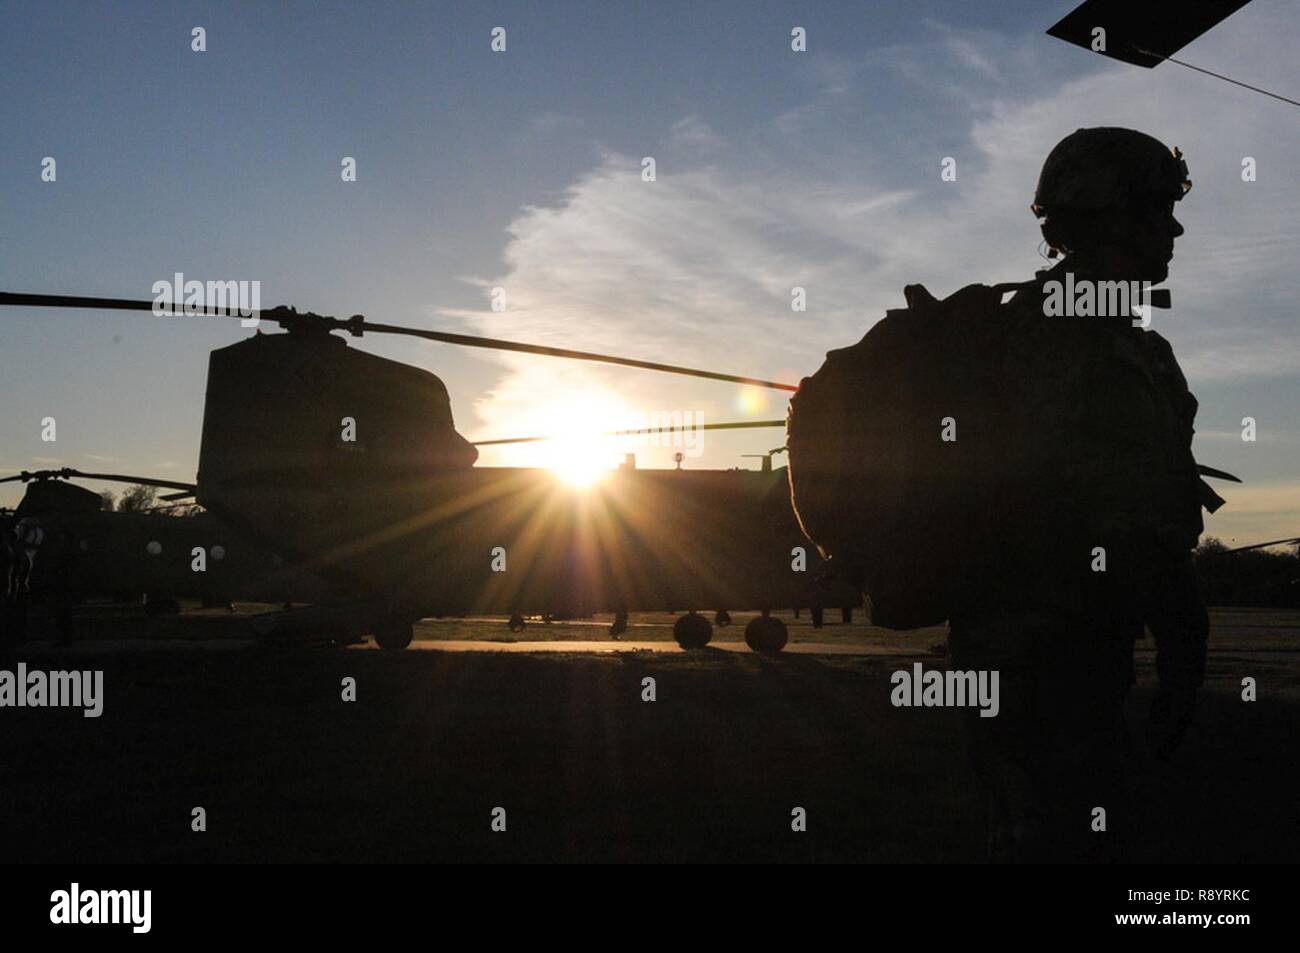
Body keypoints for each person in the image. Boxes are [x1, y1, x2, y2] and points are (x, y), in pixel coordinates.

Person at [946, 127, 1210, 862]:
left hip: (1059, 662)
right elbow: (1129, 520)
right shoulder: (1075, 344)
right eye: (1159, 211)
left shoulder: (1107, 341)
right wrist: (1186, 643)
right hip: (1042, 670)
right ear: (1112, 218)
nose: (1175, 228)